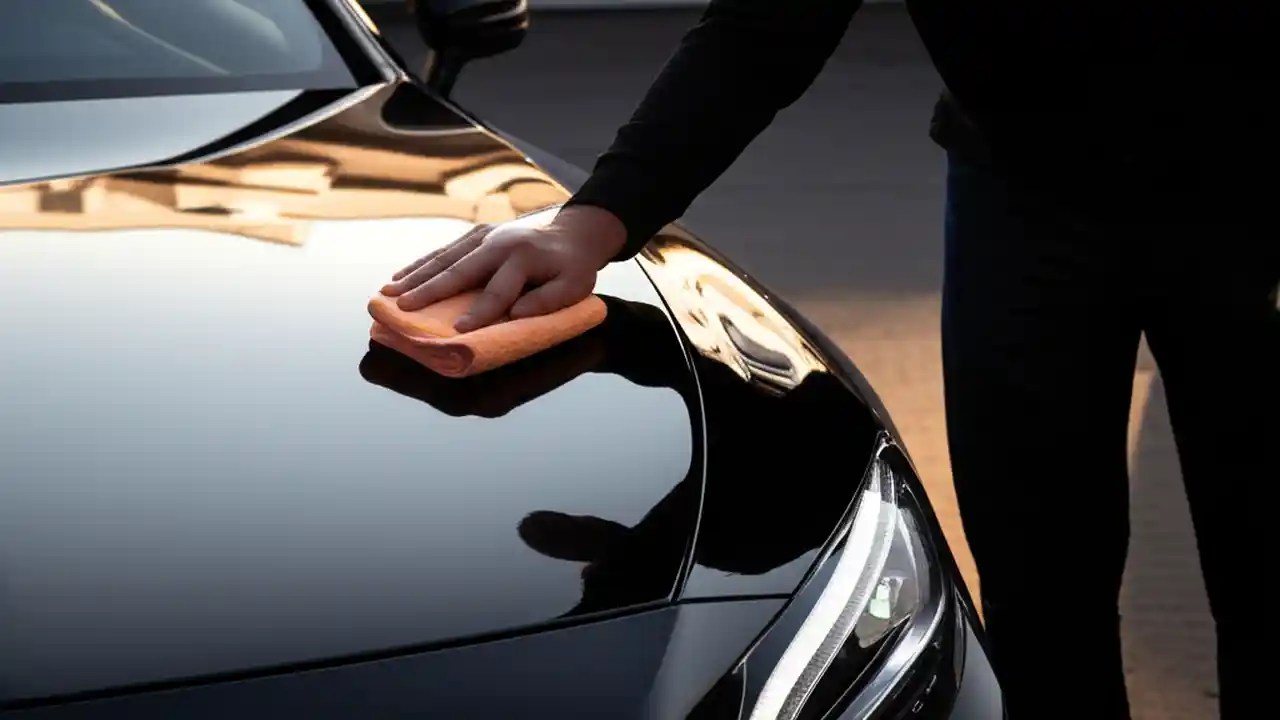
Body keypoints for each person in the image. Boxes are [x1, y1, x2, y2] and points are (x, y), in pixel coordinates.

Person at [380, 2, 1279, 717]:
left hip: (1255, 184)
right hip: (1022, 197)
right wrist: (599, 215)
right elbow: (769, 25)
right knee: (1042, 605)